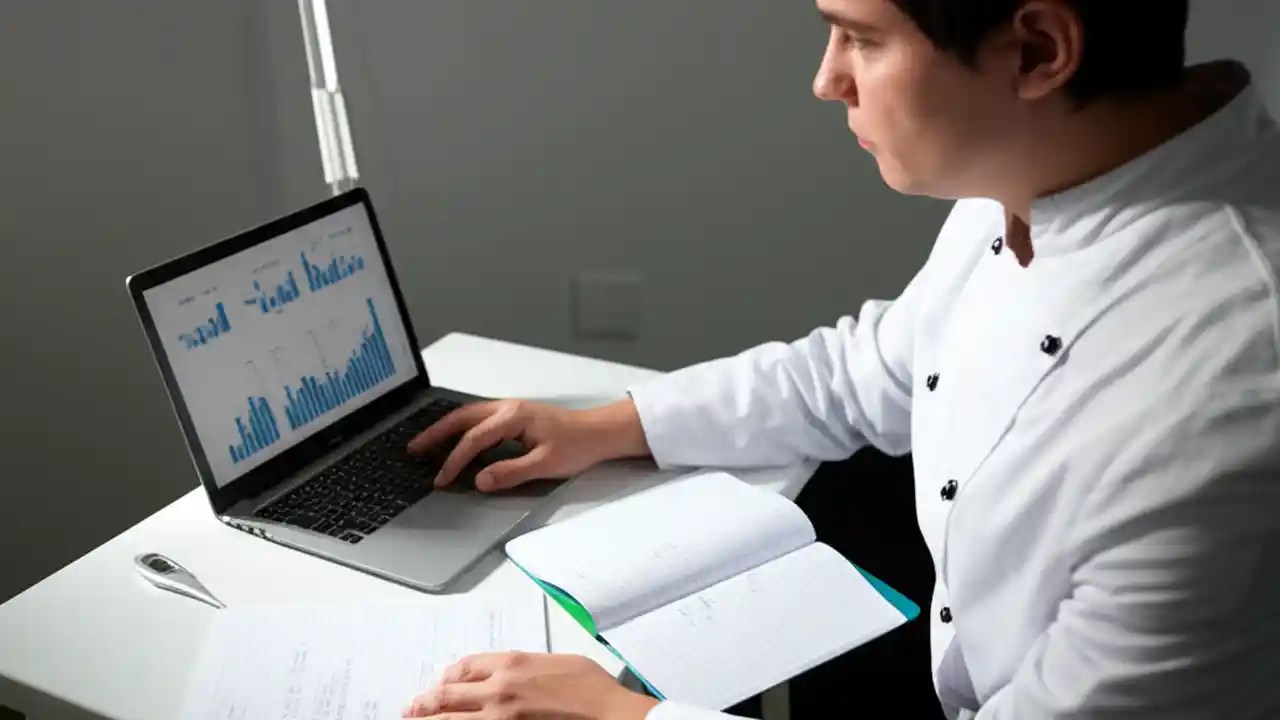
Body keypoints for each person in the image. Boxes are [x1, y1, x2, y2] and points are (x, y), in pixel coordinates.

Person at [401, 0, 1280, 717]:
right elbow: (864, 371)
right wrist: (602, 427)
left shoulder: (1221, 393)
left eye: (860, 37)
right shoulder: (1050, 169)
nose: (826, 80)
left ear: (1039, 52)